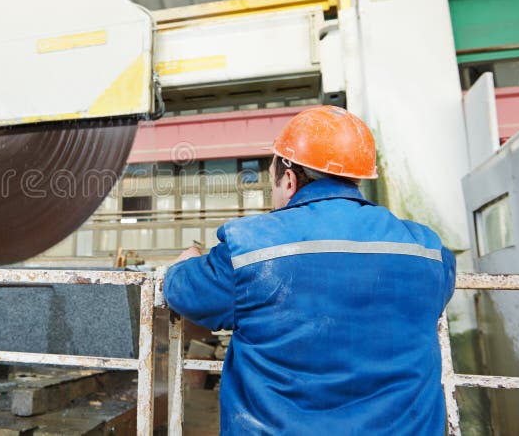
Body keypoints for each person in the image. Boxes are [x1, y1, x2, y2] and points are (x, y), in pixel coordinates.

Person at [163, 105, 456, 435]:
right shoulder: (426, 250)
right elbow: (442, 279)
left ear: (288, 180)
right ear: (357, 178)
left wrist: (186, 261)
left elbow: (184, 291)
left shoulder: (251, 247)